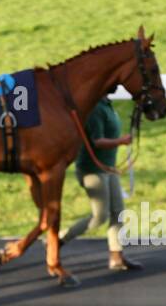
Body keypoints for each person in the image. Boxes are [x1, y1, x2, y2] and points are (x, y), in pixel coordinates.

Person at [60, 96, 142, 271]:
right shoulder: (95, 108)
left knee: (118, 212)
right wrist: (121, 141)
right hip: (92, 169)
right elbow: (97, 141)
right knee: (100, 217)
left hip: (107, 168)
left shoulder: (106, 104)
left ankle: (117, 258)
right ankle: (58, 239)